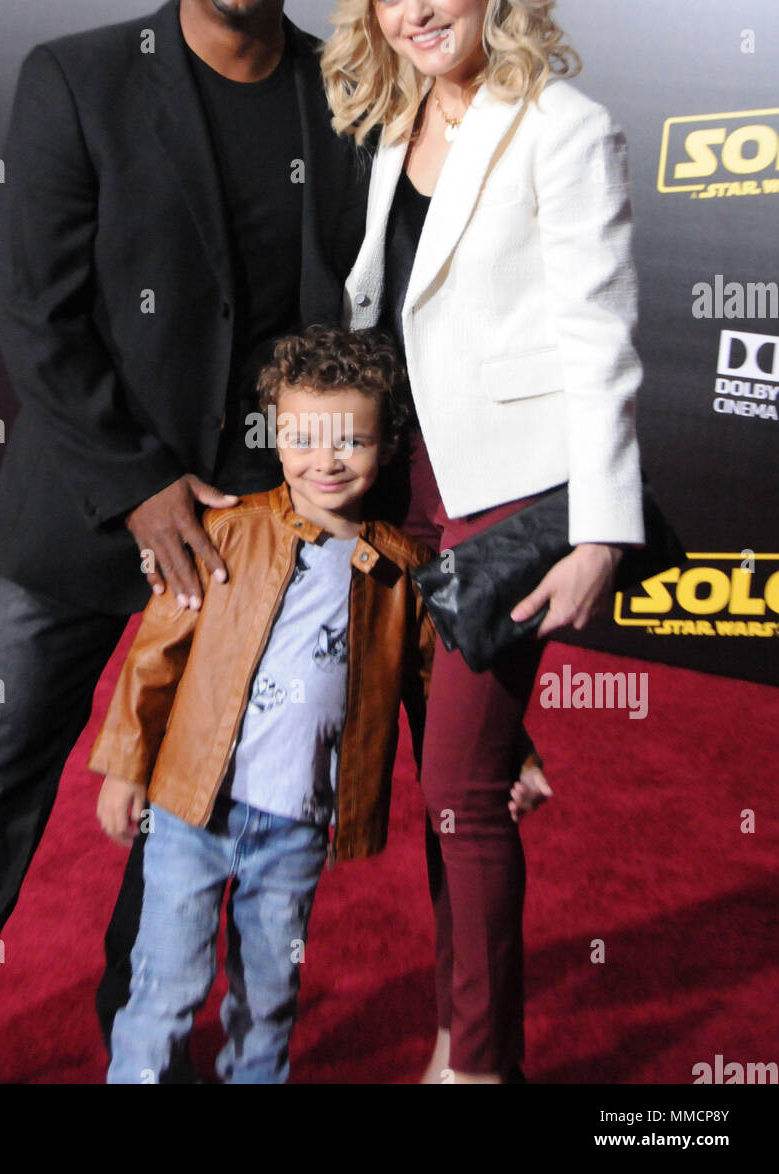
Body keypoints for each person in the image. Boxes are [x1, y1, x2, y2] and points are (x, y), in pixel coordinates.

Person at [0, 0, 372, 1084]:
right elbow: (33, 314)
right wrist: (139, 482)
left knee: (181, 811)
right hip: (80, 518)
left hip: (242, 542)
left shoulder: (341, 96)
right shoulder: (80, 75)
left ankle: (132, 1049)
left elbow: (339, 324)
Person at [321, 0, 645, 1084]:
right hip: (404, 499)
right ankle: (457, 1035)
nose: (414, 10)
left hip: (506, 504)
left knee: (460, 793)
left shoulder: (561, 125)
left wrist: (600, 535)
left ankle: (479, 1066)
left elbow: (599, 338)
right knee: (448, 791)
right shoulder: (393, 132)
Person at [88, 325, 543, 1084]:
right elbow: (153, 659)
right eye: (305, 438)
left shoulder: (405, 573)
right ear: (277, 434)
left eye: (351, 442)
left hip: (296, 827)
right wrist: (125, 768)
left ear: (390, 444)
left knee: (268, 995)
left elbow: (441, 681)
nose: (325, 461)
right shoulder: (225, 533)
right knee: (165, 986)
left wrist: (510, 755)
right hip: (187, 811)